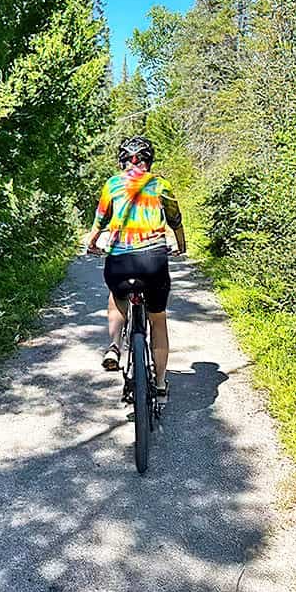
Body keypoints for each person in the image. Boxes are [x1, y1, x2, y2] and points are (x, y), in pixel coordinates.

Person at [86, 135, 187, 401]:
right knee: (158, 318)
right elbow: (175, 218)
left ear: (122, 161)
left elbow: (101, 219)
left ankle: (114, 347)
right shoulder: (159, 184)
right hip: (153, 260)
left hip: (120, 261)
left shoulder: (112, 184)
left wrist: (93, 242)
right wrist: (181, 245)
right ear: (148, 160)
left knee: (117, 296)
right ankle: (162, 384)